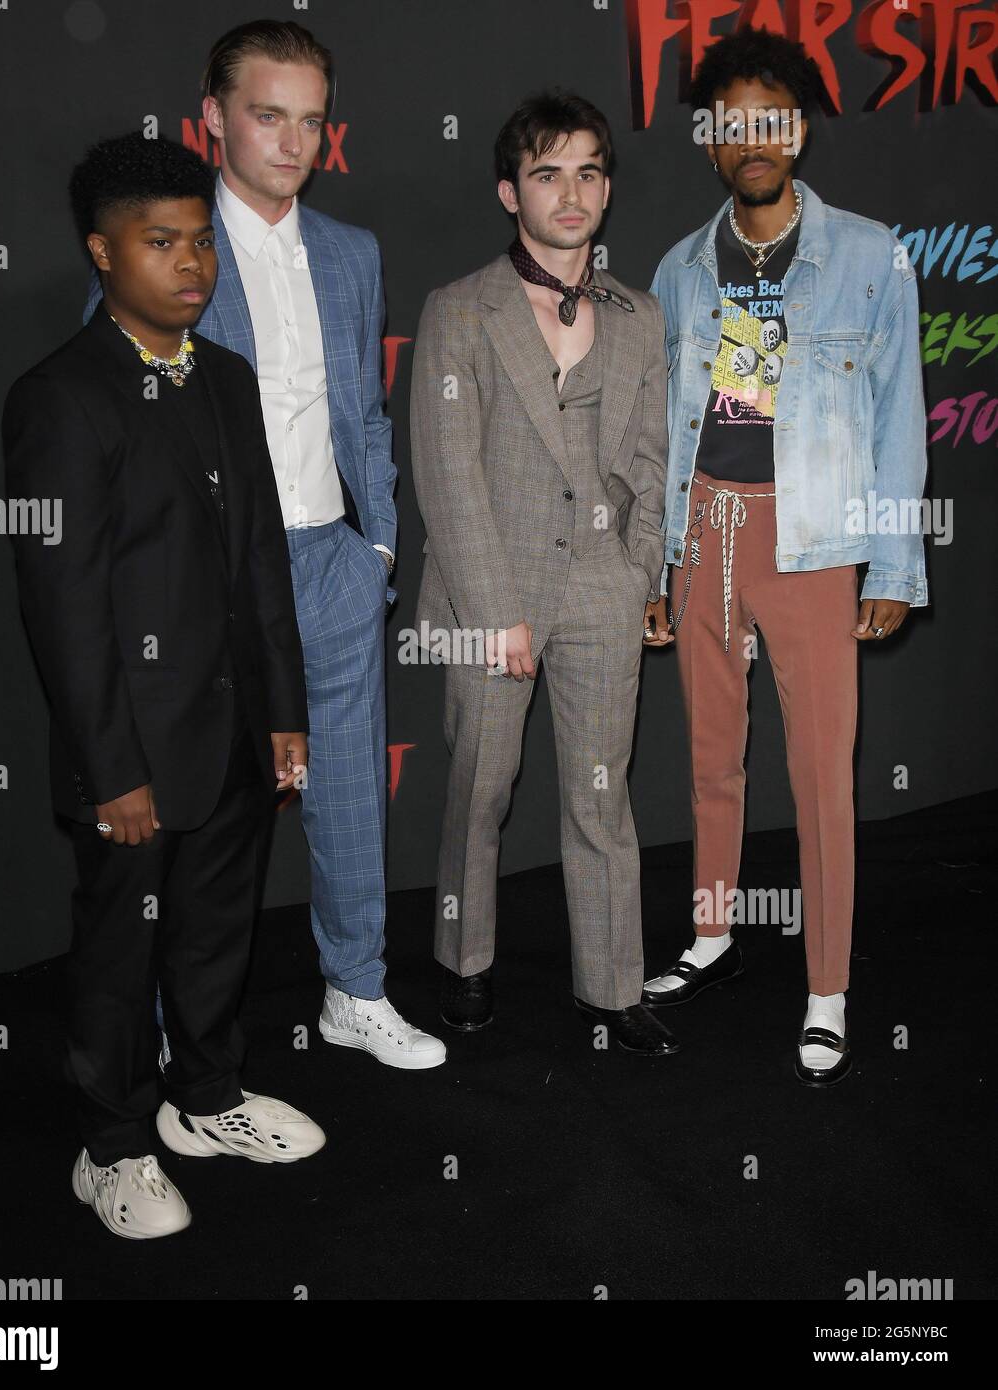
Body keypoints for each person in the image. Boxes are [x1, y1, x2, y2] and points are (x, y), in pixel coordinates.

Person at [87, 20, 444, 1070]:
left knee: (343, 798)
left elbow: (365, 414)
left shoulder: (350, 253)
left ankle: (356, 989)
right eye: (265, 114)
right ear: (213, 118)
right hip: (203, 585)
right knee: (195, 814)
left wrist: (375, 546)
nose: (290, 141)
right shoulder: (165, 243)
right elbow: (109, 425)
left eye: (308, 120)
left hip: (330, 565)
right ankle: (173, 1031)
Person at [5, 132, 324, 1239]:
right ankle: (112, 1143)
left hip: (234, 734)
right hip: (132, 755)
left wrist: (284, 710)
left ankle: (206, 1096)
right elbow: (66, 609)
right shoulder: (59, 396)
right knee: (117, 947)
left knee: (215, 928)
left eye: (200, 241)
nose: (192, 264)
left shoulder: (225, 380)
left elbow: (260, 565)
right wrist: (110, 769)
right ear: (101, 252)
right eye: (159, 242)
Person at [644, 28, 929, 1085]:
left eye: (770, 117)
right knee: (710, 755)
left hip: (807, 533)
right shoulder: (678, 267)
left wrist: (894, 563)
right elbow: (659, 432)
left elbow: (901, 414)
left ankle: (824, 988)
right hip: (702, 528)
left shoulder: (868, 253)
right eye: (729, 123)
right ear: (706, 142)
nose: (750, 139)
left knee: (818, 770)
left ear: (797, 131)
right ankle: (712, 934)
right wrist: (656, 561)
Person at [410, 91, 678, 1056]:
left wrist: (637, 568)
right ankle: (462, 960)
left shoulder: (639, 316)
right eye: (547, 172)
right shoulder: (460, 311)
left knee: (601, 796)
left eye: (589, 171)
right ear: (507, 190)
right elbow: (445, 475)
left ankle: (610, 987)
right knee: (480, 789)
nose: (571, 193)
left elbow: (651, 458)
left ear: (607, 188)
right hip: (492, 592)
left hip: (602, 589)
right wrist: (494, 613)